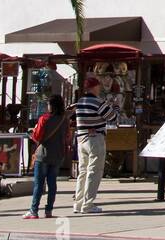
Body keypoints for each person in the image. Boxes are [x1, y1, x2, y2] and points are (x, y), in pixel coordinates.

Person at [70, 76, 119, 215]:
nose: (100, 89)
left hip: (81, 139)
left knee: (83, 172)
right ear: (94, 87)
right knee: (94, 171)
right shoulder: (97, 102)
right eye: (98, 86)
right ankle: (88, 204)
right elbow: (112, 117)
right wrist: (115, 106)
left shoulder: (80, 102)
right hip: (95, 139)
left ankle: (78, 203)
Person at [24, 94, 69, 219]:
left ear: (51, 105)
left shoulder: (44, 118)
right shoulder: (64, 119)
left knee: (39, 184)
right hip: (57, 155)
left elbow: (37, 136)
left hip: (43, 154)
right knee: (52, 183)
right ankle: (49, 210)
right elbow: (67, 137)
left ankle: (34, 210)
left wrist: (32, 134)